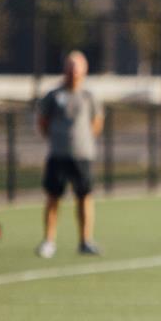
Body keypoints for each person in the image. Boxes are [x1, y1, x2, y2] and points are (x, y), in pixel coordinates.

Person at [36, 50, 103, 258]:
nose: (73, 71)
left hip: (82, 155)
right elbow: (42, 122)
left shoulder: (88, 96)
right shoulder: (54, 96)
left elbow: (96, 123)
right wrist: (57, 139)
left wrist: (82, 140)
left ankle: (85, 240)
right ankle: (49, 241)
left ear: (84, 70)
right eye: (70, 66)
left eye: (77, 67)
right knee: (53, 197)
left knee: (84, 197)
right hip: (58, 154)